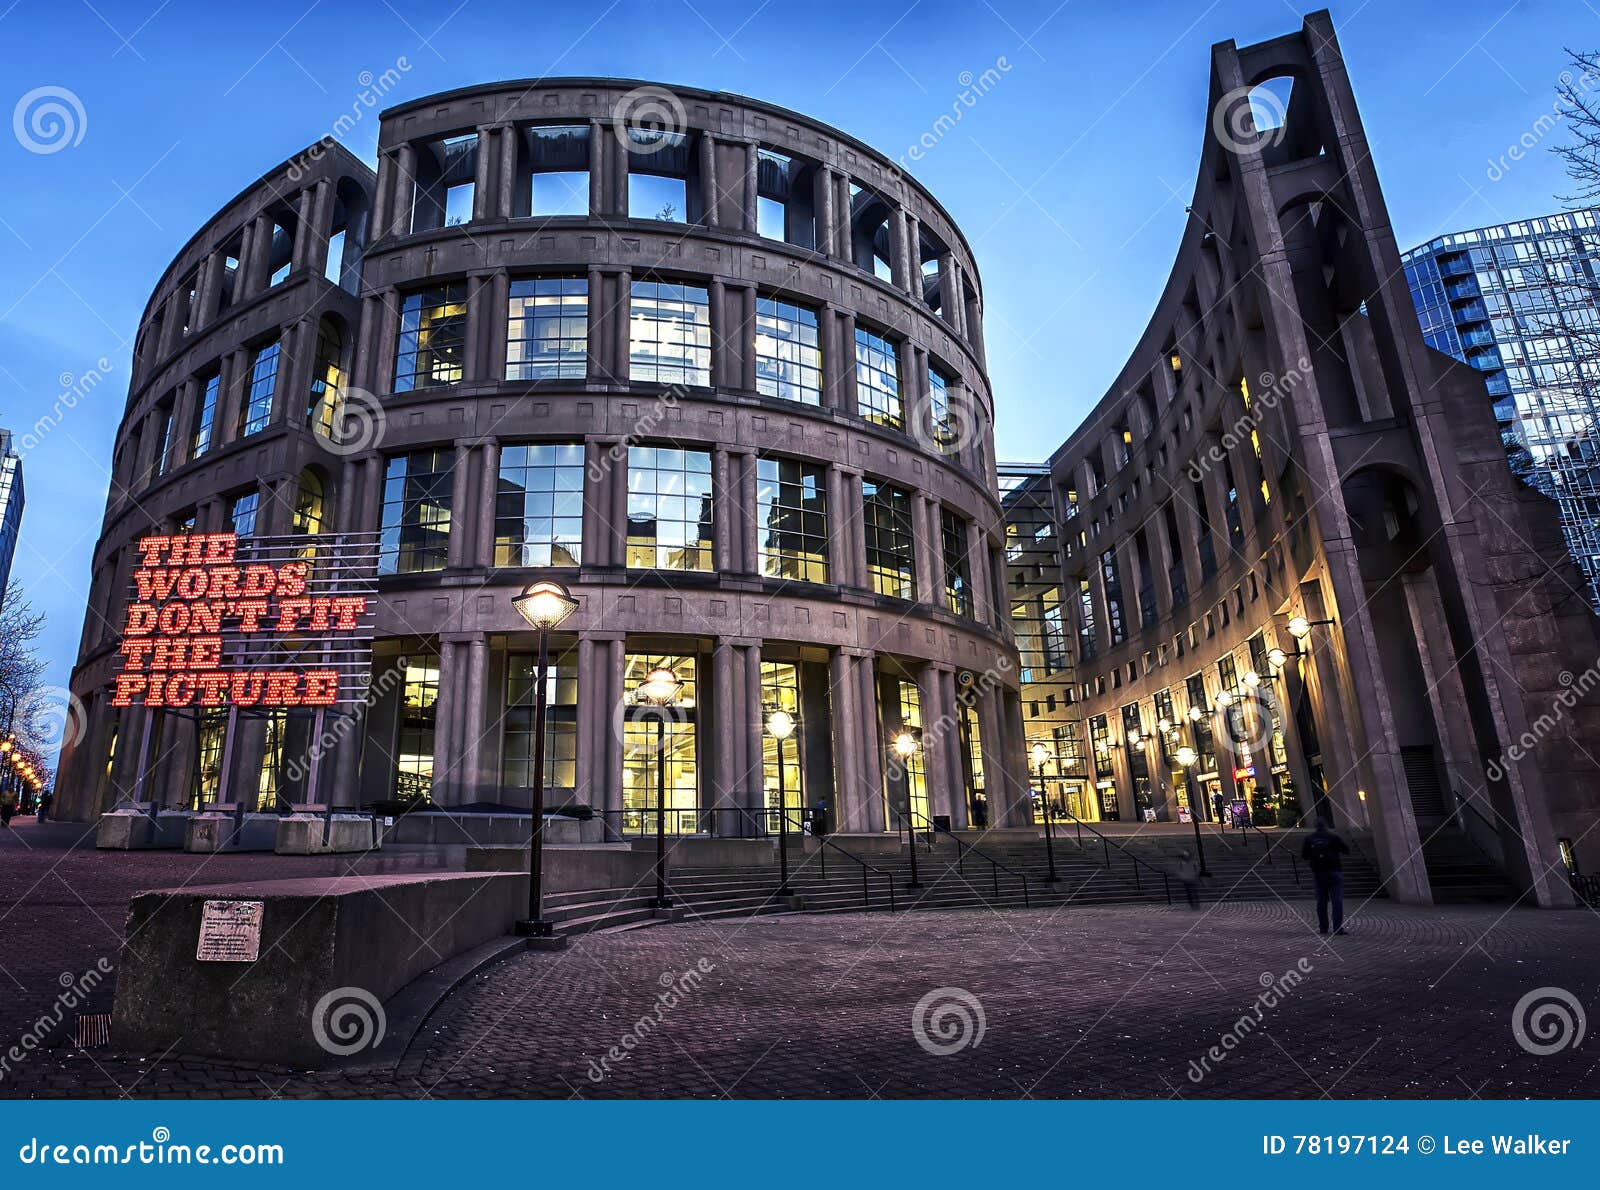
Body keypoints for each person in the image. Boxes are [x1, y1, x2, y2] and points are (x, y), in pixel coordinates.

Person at [1302, 820, 1351, 935]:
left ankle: (1323, 927)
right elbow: (1346, 850)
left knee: (1321, 902)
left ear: (1315, 826)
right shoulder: (1333, 837)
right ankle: (1337, 928)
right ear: (1326, 826)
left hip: (1319, 873)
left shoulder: (1309, 838)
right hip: (1334, 871)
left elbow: (1304, 855)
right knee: (1337, 901)